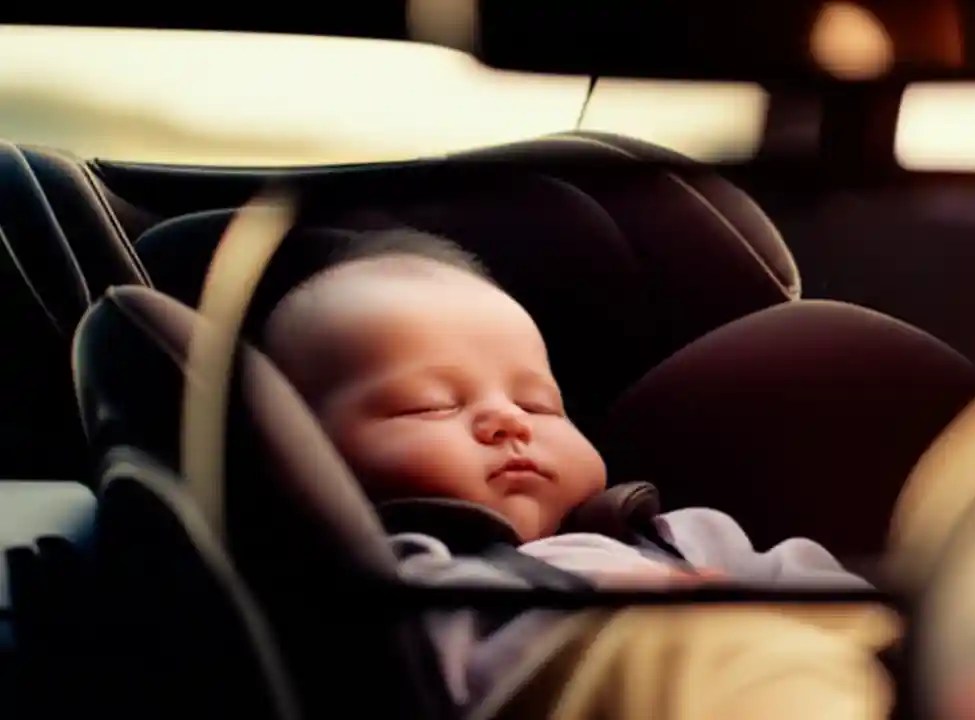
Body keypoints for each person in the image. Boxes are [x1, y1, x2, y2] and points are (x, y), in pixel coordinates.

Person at [259, 226, 892, 719]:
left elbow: (836, 597)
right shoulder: (402, 575)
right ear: (306, 456)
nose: (509, 421)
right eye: (431, 405)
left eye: (538, 404)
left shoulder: (685, 535)